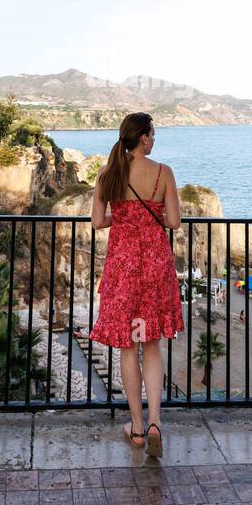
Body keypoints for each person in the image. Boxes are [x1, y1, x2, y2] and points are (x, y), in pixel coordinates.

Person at [90, 112, 183, 456]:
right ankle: (156, 420)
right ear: (143, 137)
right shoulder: (163, 173)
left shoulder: (108, 173)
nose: (154, 139)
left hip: (123, 268)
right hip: (156, 267)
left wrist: (125, 217)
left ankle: (138, 428)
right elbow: (173, 221)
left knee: (128, 347)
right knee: (153, 346)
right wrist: (149, 216)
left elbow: (98, 221)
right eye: (153, 134)